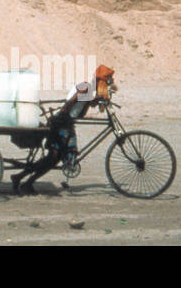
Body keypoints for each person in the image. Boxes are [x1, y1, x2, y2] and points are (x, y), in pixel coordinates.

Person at [10, 64, 115, 195]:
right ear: (100, 81)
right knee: (52, 158)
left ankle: (22, 179)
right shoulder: (86, 86)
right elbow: (71, 102)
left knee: (54, 158)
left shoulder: (89, 90)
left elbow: (85, 102)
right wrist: (62, 114)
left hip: (66, 123)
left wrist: (99, 99)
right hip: (61, 123)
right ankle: (23, 180)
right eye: (106, 82)